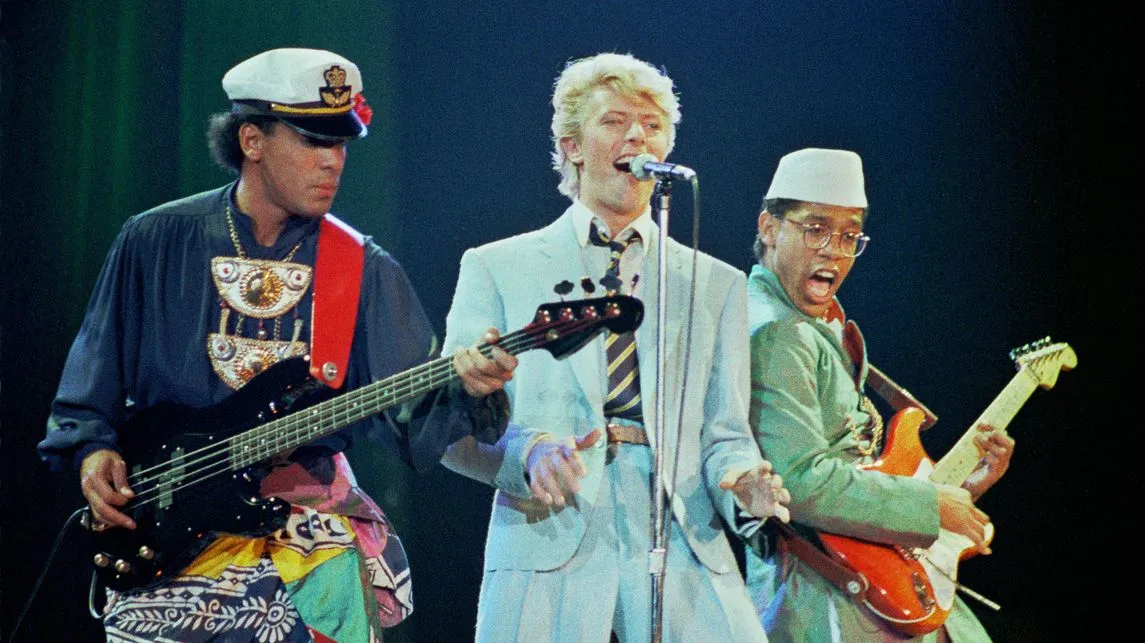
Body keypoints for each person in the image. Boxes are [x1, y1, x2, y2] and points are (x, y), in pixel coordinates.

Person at [38, 48, 514, 642]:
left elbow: (414, 423)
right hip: (162, 538)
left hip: (304, 539)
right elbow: (90, 384)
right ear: (252, 140)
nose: (333, 161)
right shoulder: (155, 239)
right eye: (314, 141)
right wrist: (92, 451)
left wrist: (472, 390)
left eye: (341, 143)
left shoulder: (363, 268)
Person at [437, 52, 790, 642]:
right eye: (615, 121)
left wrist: (743, 483)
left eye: (652, 125)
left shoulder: (716, 284)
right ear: (572, 146)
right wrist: (525, 451)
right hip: (551, 525)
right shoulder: (498, 266)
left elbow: (725, 434)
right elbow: (452, 425)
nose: (637, 136)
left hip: (681, 532)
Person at [743, 148, 1016, 642]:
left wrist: (959, 489)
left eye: (849, 236)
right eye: (816, 229)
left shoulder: (813, 323)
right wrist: (930, 505)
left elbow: (858, 463)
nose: (833, 250)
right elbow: (799, 480)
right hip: (822, 595)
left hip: (864, 579)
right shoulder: (778, 333)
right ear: (769, 228)